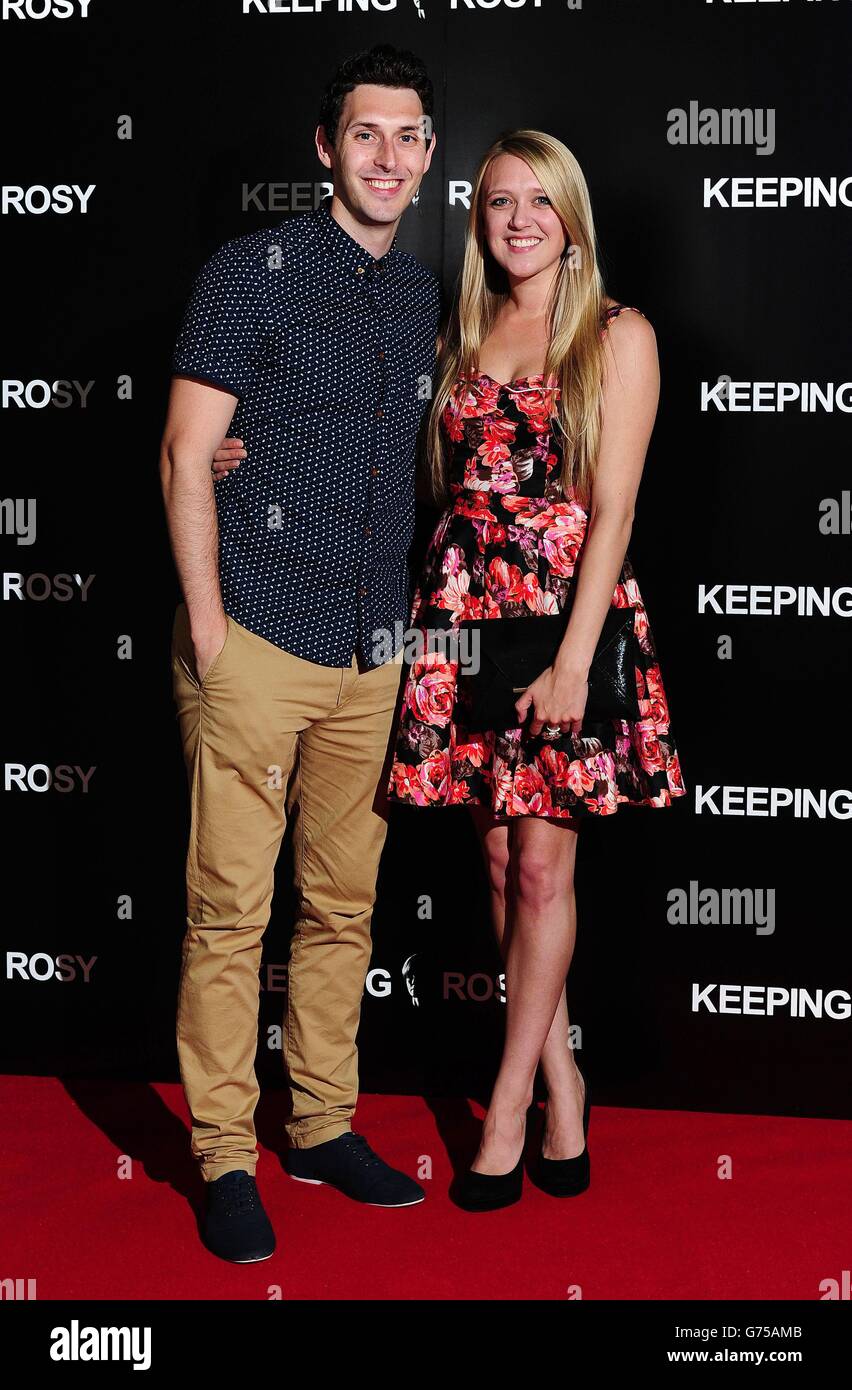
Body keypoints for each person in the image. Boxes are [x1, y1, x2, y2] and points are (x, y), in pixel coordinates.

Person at [159, 43, 439, 1263]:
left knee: (342, 909)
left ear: (432, 157)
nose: (389, 156)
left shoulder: (426, 294)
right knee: (229, 915)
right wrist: (213, 631)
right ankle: (225, 1153)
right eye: (367, 134)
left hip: (372, 647)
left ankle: (320, 1123)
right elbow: (185, 452)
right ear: (326, 149)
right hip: (258, 635)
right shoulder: (251, 273)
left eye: (412, 136)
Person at [385, 130, 687, 1210]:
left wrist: (570, 661)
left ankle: (507, 1104)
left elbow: (615, 511)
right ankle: (566, 1077)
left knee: (546, 872)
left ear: (571, 217)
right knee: (504, 868)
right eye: (499, 202)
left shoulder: (617, 332)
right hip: (460, 614)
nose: (517, 219)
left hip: (564, 613)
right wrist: (235, 450)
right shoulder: (461, 330)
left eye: (538, 202)